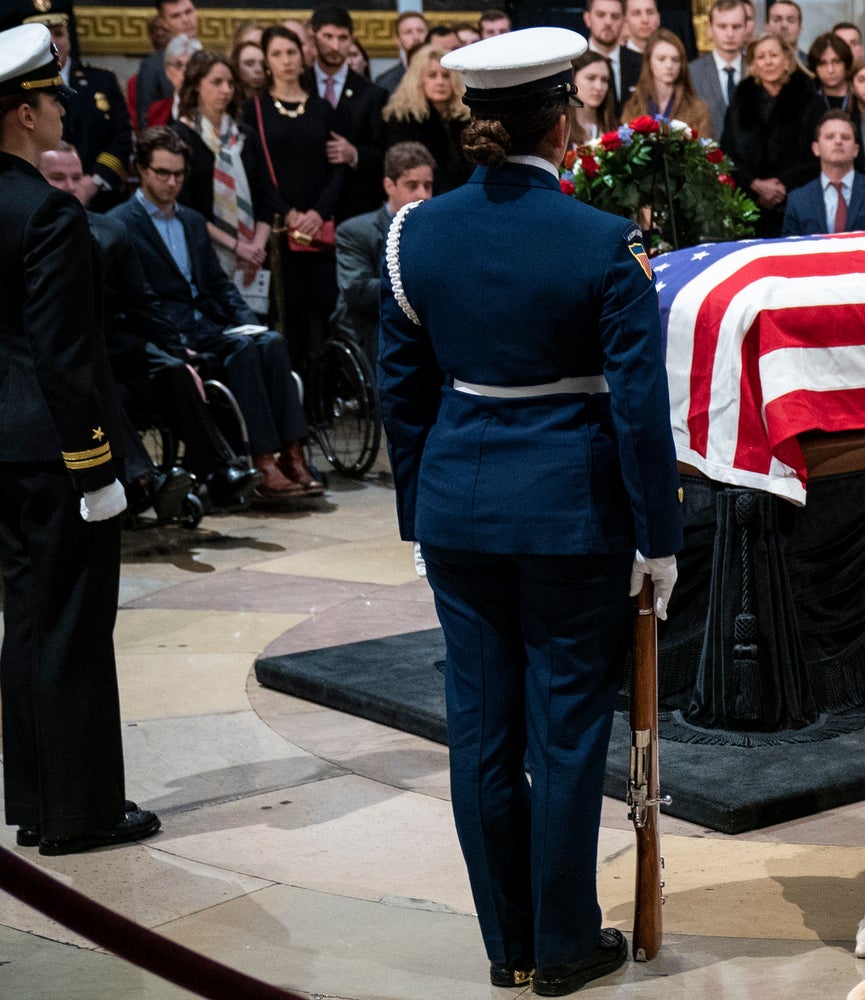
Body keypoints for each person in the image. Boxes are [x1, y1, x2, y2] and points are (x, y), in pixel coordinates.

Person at [386, 28, 683, 994]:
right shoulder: (602, 239)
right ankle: (561, 947)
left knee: (480, 731)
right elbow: (638, 407)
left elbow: (403, 392)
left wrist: (418, 518)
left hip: (459, 510)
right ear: (563, 124)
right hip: (569, 511)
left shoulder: (415, 232)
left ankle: (506, 944)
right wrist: (659, 538)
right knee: (562, 730)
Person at [0, 22, 162, 858]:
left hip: (3, 447)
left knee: (26, 621)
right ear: (23, 115)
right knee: (73, 628)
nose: (64, 110)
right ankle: (83, 811)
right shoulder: (48, 214)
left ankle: (34, 797)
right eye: (50, 100)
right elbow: (65, 359)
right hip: (54, 450)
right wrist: (99, 466)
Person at [40, 142, 260, 508]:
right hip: (59, 353)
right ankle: (145, 480)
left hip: (112, 341)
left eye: (76, 177)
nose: (70, 186)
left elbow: (143, 304)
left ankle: (220, 472)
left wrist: (180, 356)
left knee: (174, 369)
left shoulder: (108, 231)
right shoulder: (27, 232)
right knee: (98, 384)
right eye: (57, 178)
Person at [110, 127, 322, 498]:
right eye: (162, 173)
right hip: (168, 332)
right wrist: (174, 340)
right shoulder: (121, 224)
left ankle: (293, 452)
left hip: (206, 323)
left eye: (178, 174)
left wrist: (249, 323)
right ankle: (261, 458)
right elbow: (135, 301)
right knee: (242, 352)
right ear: (141, 170)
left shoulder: (191, 220)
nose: (171, 182)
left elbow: (218, 284)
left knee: (270, 341)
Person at [245, 25, 341, 367]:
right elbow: (256, 171)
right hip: (280, 230)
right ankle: (296, 390)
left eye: (291, 52)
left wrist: (319, 212)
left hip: (319, 227)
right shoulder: (254, 108)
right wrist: (287, 212)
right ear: (267, 62)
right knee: (289, 310)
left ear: (303, 57)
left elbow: (336, 167)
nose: (286, 60)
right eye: (277, 54)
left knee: (324, 307)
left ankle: (324, 393)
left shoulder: (321, 108)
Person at [170, 51, 273, 288]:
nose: (226, 90)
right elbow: (187, 208)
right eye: (217, 82)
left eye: (230, 83)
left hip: (254, 255)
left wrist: (256, 248)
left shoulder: (246, 135)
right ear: (196, 86)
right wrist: (237, 247)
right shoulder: (180, 136)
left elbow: (267, 198)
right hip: (205, 251)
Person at [27, 3, 134, 211]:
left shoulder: (102, 81)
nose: (53, 43)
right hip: (38, 200)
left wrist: (92, 182)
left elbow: (122, 138)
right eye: (44, 35)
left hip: (101, 201)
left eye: (59, 33)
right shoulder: (21, 91)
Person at [334, 140, 432, 351]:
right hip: (373, 328)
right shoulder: (356, 231)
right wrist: (421, 287)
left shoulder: (438, 230)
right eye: (412, 186)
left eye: (428, 186)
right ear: (389, 185)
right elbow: (357, 291)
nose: (423, 195)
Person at [722, 33, 819, 238]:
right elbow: (727, 152)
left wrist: (781, 185)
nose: (768, 62)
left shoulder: (809, 98)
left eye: (773, 55)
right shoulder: (740, 100)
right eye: (761, 57)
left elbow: (816, 153)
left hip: (796, 202)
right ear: (754, 65)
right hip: (750, 206)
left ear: (786, 61)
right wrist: (756, 185)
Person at [309, 6, 389, 224]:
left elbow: (386, 153)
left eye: (343, 38)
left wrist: (354, 154)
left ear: (351, 39)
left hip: (355, 209)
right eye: (328, 37)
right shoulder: (300, 86)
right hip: (307, 208)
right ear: (313, 35)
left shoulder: (372, 93)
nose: (335, 46)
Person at [782, 110, 865, 235]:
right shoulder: (798, 199)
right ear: (816, 148)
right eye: (830, 137)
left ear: (856, 150)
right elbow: (789, 250)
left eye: (845, 137)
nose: (838, 141)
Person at [384, 44, 472, 194]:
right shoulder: (403, 120)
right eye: (432, 75)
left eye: (445, 76)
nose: (440, 82)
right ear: (418, 80)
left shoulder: (466, 120)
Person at [629, 28, 713, 136]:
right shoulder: (634, 106)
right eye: (661, 59)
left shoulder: (698, 109)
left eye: (675, 60)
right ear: (649, 62)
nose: (669, 66)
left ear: (681, 65)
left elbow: (703, 148)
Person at [688, 0, 747, 140]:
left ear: (746, 28)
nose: (730, 33)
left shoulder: (758, 69)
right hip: (706, 157)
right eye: (722, 26)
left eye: (736, 26)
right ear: (709, 28)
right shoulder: (692, 72)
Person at [135, 0, 196, 124]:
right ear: (164, 23)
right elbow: (146, 122)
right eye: (176, 16)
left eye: (188, 12)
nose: (185, 19)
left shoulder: (212, 59)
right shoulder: (153, 66)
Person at [582, 0, 638, 102]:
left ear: (624, 22)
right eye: (601, 15)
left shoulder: (640, 63)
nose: (608, 22)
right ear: (588, 18)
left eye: (615, 16)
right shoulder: (573, 62)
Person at [142, 34, 201, 127]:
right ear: (167, 72)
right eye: (178, 65)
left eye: (190, 65)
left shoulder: (210, 109)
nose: (184, 71)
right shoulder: (156, 110)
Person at [570, 50, 620, 144]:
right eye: (591, 78)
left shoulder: (615, 129)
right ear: (573, 79)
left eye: (604, 80)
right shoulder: (557, 128)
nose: (599, 87)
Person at [375, 10, 430, 93]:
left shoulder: (446, 73)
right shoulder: (385, 82)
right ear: (398, 41)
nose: (416, 37)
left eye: (420, 31)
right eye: (408, 32)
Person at [808, 31, 853, 112]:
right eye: (823, 64)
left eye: (836, 62)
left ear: (846, 63)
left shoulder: (860, 97)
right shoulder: (808, 101)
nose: (830, 70)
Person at [766, 0, 806, 65]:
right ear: (767, 27)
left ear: (800, 29)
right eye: (777, 20)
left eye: (791, 20)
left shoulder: (812, 65)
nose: (784, 25)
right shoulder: (753, 65)